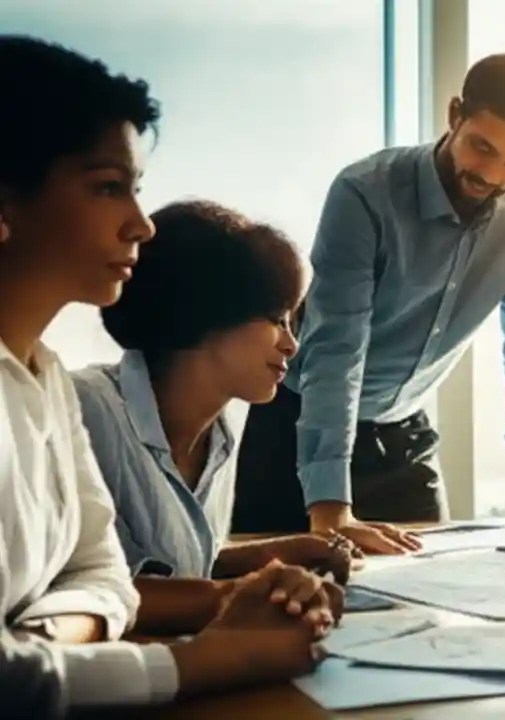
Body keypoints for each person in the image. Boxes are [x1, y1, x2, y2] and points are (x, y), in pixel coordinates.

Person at [0, 35, 334, 715]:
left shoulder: (45, 380)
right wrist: (209, 656)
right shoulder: (89, 401)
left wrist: (44, 636)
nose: (142, 226)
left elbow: (105, 575)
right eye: (107, 187)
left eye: (137, 190)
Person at [233, 54, 505, 553]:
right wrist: (330, 512)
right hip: (298, 432)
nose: (492, 174)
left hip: (403, 434)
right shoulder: (364, 193)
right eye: (482, 147)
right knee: (288, 598)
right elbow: (336, 349)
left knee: (435, 592)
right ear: (455, 115)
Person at [74, 200, 354, 638]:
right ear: (207, 310)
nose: (291, 346)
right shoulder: (86, 411)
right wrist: (246, 593)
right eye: (276, 319)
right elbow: (82, 589)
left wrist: (277, 554)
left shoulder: (224, 426)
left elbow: (169, 560)